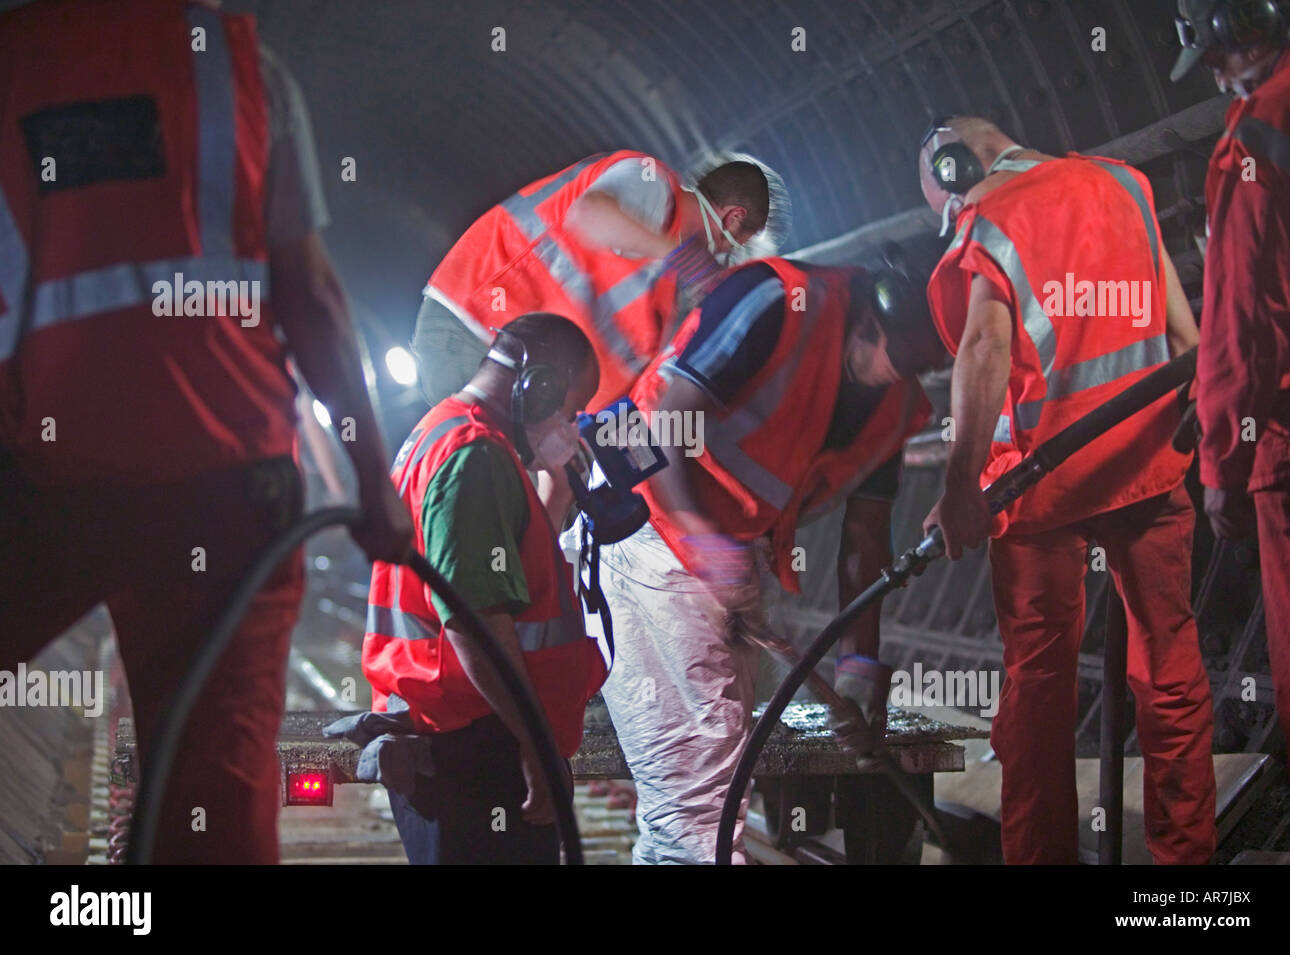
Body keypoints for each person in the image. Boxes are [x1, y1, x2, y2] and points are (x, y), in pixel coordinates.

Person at [0, 0, 411, 862]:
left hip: (45, 474)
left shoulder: (17, 56)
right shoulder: (238, 71)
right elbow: (311, 299)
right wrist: (373, 481)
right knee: (213, 801)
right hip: (225, 490)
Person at [919, 115, 1214, 864]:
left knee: (1038, 692)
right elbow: (1187, 341)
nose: (950, 223)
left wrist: (960, 485)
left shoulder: (992, 220)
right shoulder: (1126, 183)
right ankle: (1183, 876)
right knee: (1170, 671)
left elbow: (986, 345)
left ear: (955, 168)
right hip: (1148, 465)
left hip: (1041, 490)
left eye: (942, 207)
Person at [597, 255, 943, 864]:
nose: (889, 370)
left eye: (916, 362)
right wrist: (704, 542)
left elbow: (866, 537)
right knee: (695, 796)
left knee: (714, 780)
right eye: (889, 348)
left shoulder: (896, 407)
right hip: (644, 519)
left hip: (733, 549)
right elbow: (664, 423)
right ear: (867, 312)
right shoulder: (775, 302)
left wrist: (859, 663)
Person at [357, 313, 608, 864]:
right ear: (537, 385)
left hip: (461, 733)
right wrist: (536, 743)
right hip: (474, 746)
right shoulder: (476, 455)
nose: (571, 425)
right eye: (571, 408)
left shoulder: (445, 431)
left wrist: (557, 494)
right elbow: (474, 618)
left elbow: (499, 575)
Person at [1171, 0, 1290, 805]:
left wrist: (1222, 455)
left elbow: (1243, 310)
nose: (1216, 78)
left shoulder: (1260, 127)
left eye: (1212, 58)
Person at [413, 151, 784, 412]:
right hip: (473, 330)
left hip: (523, 374)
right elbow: (590, 215)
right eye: (734, 250)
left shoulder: (662, 289)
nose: (722, 261)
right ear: (732, 218)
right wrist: (683, 257)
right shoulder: (648, 179)